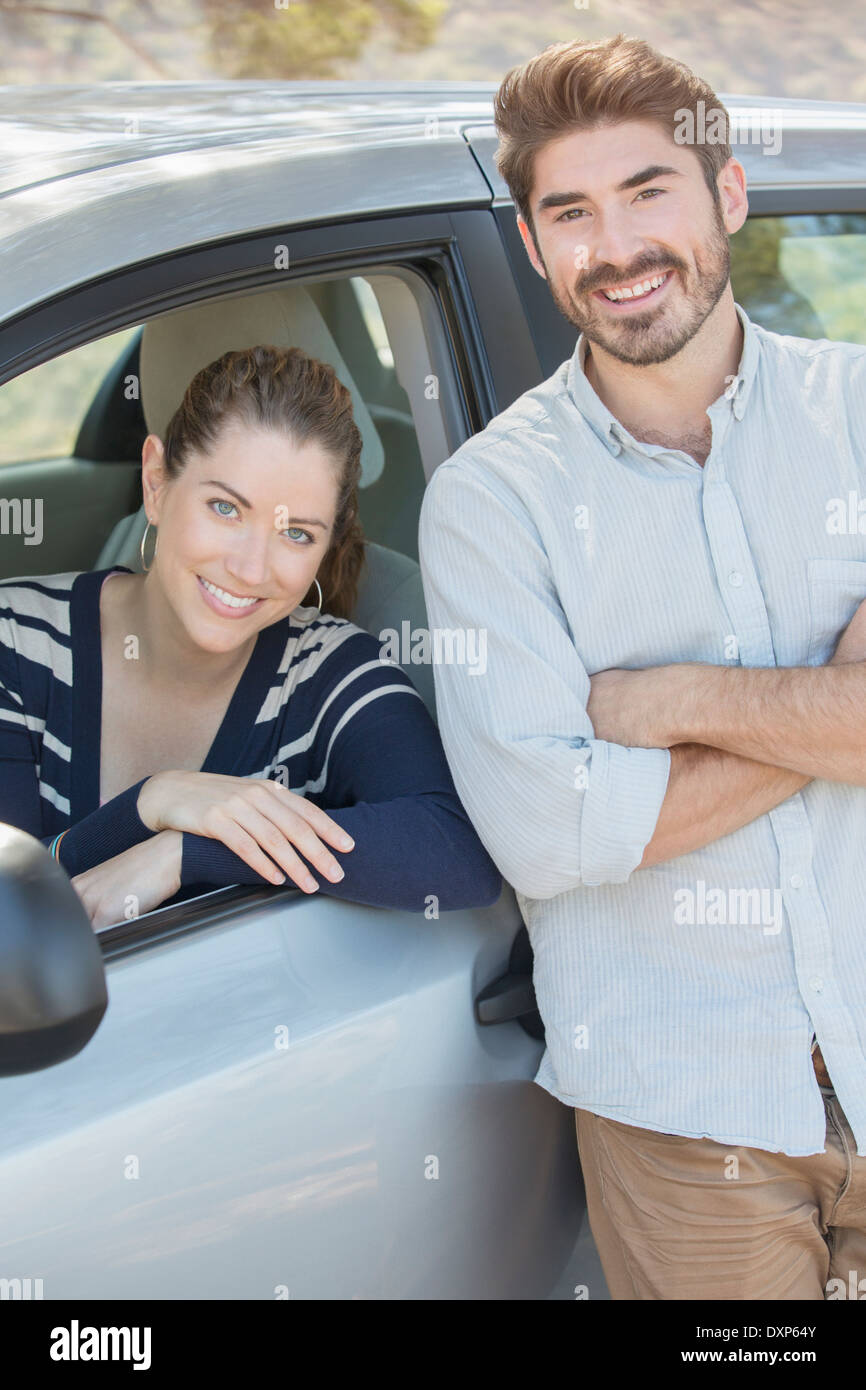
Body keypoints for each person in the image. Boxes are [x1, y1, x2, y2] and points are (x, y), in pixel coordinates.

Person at [418, 33, 866, 1300]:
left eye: (646, 191)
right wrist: (827, 716)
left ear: (726, 195)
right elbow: (554, 836)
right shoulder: (486, 506)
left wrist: (668, 703)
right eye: (570, 211)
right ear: (531, 244)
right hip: (686, 1126)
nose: (613, 247)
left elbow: (613, 800)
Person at [0, 344, 501, 928]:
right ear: (157, 482)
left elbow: (456, 850)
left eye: (296, 535)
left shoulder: (329, 675)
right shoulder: (15, 642)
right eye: (225, 508)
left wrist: (189, 850)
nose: (251, 569)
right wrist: (152, 803)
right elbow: (12, 907)